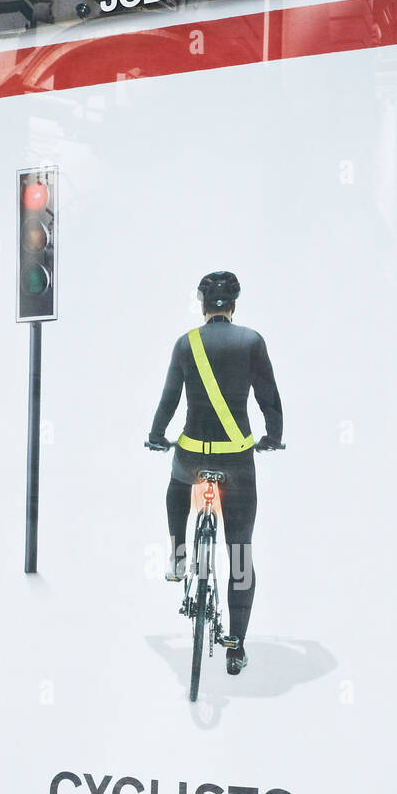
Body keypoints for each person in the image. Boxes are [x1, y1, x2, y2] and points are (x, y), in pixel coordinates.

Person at [147, 271, 283, 675]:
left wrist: (157, 435)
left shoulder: (186, 344)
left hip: (192, 456)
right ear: (235, 306)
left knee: (176, 485)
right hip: (238, 462)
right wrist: (272, 438)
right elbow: (269, 398)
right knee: (239, 552)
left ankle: (177, 553)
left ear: (203, 305)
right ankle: (236, 647)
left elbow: (170, 397)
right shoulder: (252, 342)